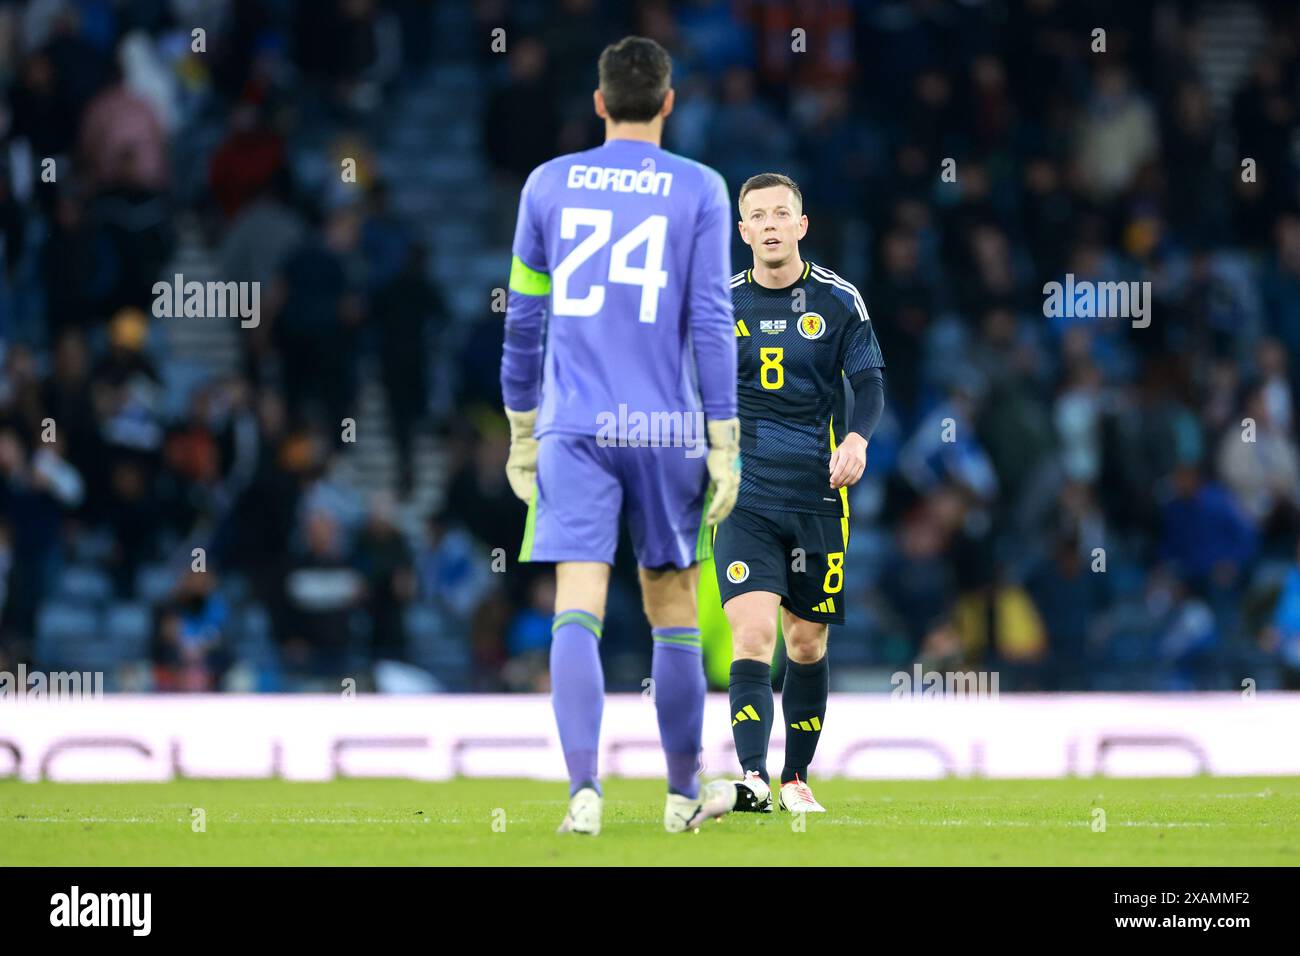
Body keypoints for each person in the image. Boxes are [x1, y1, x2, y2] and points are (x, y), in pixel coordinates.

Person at [499, 36, 740, 835]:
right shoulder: (701, 189)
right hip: (666, 428)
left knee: (578, 604)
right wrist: (725, 434)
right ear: (670, 102)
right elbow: (710, 318)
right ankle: (680, 794)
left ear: (598, 103)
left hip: (575, 428)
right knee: (672, 608)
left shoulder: (547, 185)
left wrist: (521, 427)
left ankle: (583, 793)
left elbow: (524, 319)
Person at [713, 173, 885, 813]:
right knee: (753, 635)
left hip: (818, 497)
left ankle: (795, 776)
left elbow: (868, 383)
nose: (770, 225)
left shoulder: (840, 300)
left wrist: (860, 440)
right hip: (744, 495)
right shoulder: (720, 303)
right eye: (757, 216)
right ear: (743, 232)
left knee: (806, 643)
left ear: (801, 225)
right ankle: (755, 778)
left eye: (781, 213)